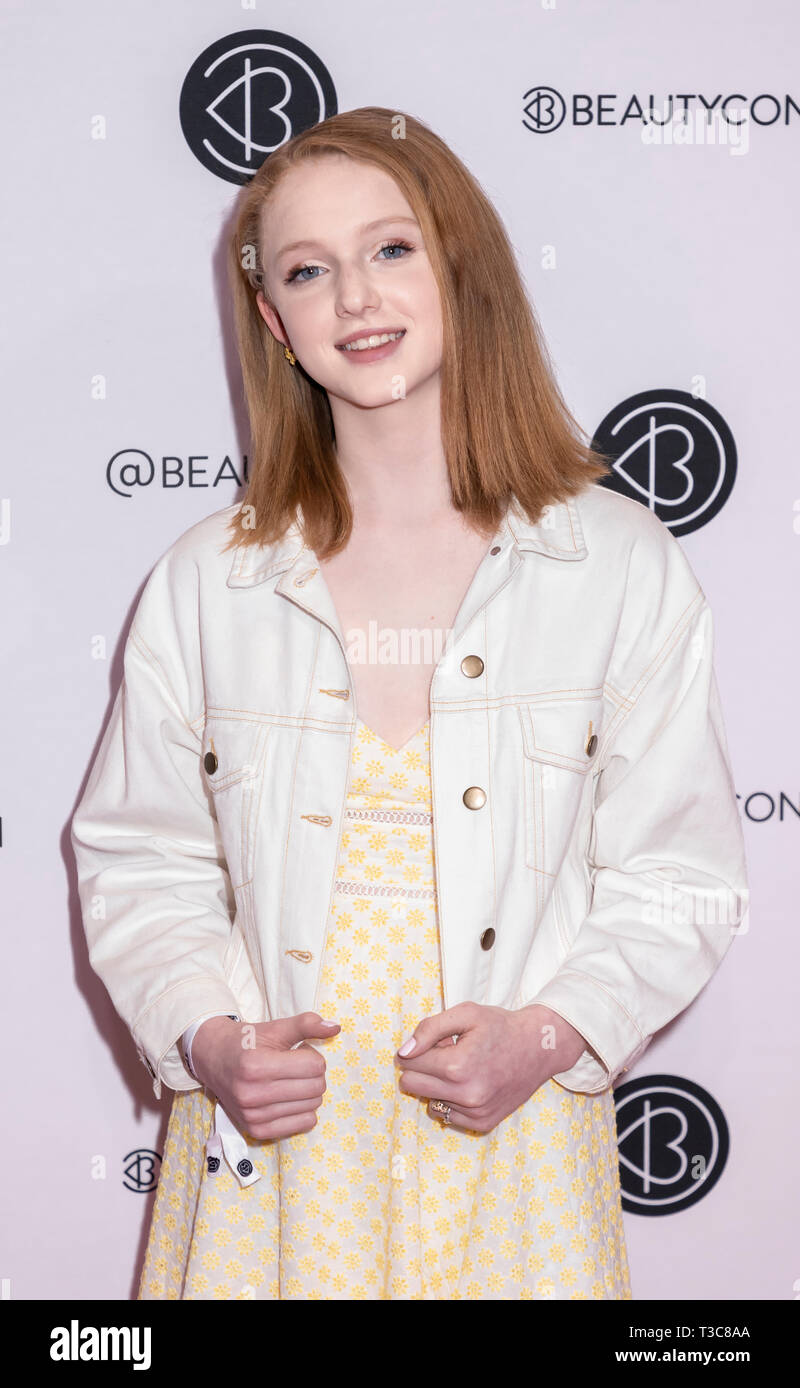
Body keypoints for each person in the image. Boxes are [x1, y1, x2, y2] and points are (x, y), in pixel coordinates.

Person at [70, 107, 749, 1301]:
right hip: (271, 1174)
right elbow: (140, 862)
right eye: (306, 270)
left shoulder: (615, 564)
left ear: (458, 264)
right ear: (275, 324)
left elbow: (677, 879)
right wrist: (208, 1040)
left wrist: (545, 1037)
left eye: (389, 249)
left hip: (517, 1158)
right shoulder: (205, 580)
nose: (354, 298)